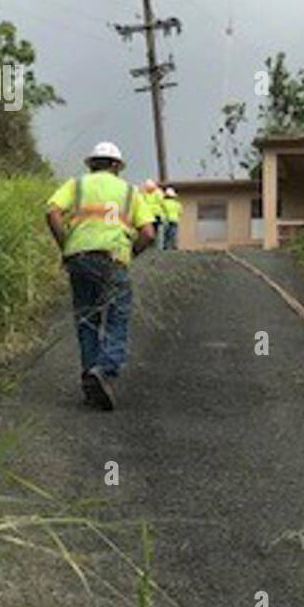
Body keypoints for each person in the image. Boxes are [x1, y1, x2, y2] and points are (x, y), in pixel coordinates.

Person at [45, 141, 155, 410]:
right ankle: (104, 372)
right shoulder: (130, 192)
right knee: (117, 317)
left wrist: (66, 245)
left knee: (87, 319)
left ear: (91, 163)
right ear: (117, 166)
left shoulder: (77, 185)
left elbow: (52, 212)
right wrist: (130, 254)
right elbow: (149, 233)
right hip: (112, 259)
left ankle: (90, 377)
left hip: (79, 259)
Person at [143, 179, 167, 248]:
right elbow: (162, 202)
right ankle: (156, 246)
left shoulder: (145, 193)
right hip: (156, 215)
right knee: (156, 232)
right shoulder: (158, 192)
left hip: (148, 215)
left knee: (149, 231)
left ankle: (150, 246)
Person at [162, 186, 182, 250]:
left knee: (166, 234)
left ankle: (165, 247)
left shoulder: (164, 203)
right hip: (175, 220)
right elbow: (180, 212)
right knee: (174, 234)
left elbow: (162, 211)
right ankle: (174, 246)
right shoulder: (177, 204)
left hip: (167, 220)